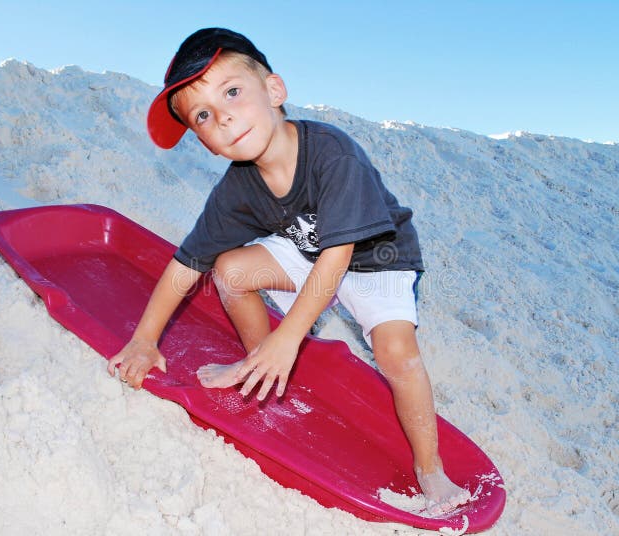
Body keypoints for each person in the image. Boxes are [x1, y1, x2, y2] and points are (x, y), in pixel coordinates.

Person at [107, 27, 470, 516]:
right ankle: (261, 364)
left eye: (232, 92)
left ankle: (431, 469)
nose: (225, 116)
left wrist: (291, 338)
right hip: (310, 246)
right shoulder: (237, 189)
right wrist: (145, 340)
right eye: (205, 116)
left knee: (397, 351)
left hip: (373, 256)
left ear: (275, 91)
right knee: (230, 270)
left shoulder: (332, 155)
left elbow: (338, 258)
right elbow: (186, 262)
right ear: (207, 143)